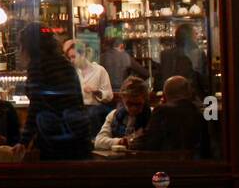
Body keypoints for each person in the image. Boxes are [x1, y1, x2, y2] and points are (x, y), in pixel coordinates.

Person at [20, 23, 92, 160]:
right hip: (78, 134)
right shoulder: (64, 63)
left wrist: (23, 141)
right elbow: (77, 101)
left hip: (57, 137)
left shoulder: (38, 65)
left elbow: (37, 106)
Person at [135, 75, 211, 157]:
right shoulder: (198, 113)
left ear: (164, 96)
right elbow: (206, 148)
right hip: (195, 165)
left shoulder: (162, 111)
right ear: (189, 94)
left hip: (167, 163)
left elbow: (150, 143)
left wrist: (132, 141)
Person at [64, 38, 113, 130]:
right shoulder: (71, 73)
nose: (71, 60)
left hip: (94, 109)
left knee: (92, 113)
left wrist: (96, 91)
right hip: (77, 109)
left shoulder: (99, 70)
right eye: (69, 57)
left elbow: (109, 96)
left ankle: (93, 141)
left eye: (73, 57)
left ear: (82, 54)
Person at [93, 76, 152, 151]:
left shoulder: (153, 116)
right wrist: (120, 141)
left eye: (138, 104)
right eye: (129, 104)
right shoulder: (114, 115)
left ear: (145, 100)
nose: (133, 108)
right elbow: (98, 142)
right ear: (123, 99)